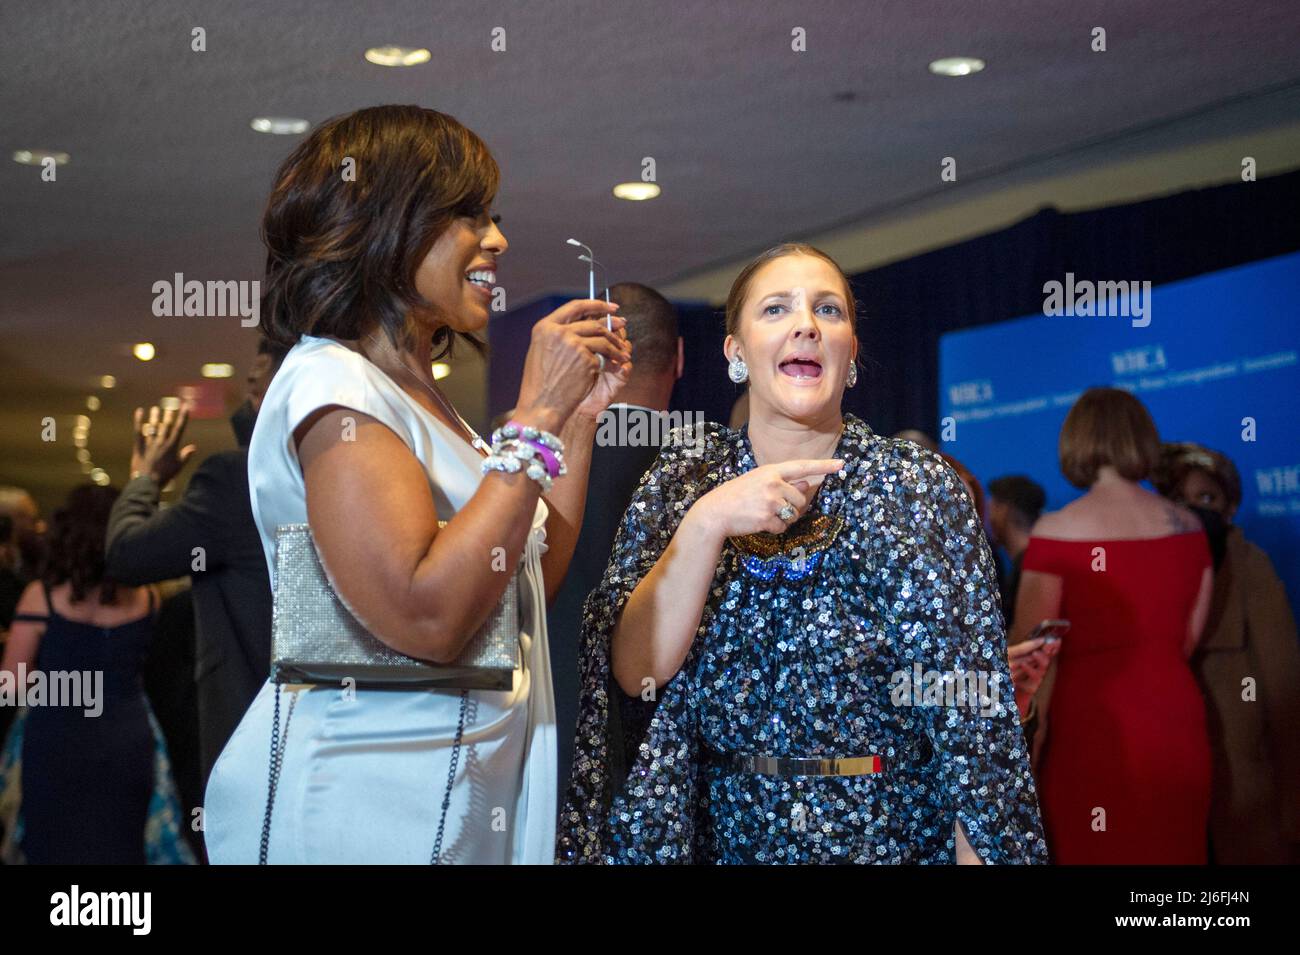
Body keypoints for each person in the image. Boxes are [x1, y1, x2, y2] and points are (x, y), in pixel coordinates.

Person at [202, 105, 631, 864]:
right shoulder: (332, 387)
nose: (496, 238)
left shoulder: (419, 399)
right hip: (360, 806)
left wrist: (575, 420)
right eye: (468, 214)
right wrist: (532, 415)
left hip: (453, 800)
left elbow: (520, 584)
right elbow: (426, 616)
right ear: (385, 223)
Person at [558, 243, 1047, 864]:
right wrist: (707, 523)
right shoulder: (683, 480)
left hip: (886, 835)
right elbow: (637, 675)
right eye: (776, 309)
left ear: (851, 352)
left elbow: (968, 718)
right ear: (735, 352)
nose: (805, 326)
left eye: (827, 310)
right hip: (722, 838)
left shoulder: (916, 486)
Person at [1012, 389, 1214, 864]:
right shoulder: (1189, 527)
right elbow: (1187, 642)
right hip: (1177, 727)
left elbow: (1028, 658)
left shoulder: (1054, 532)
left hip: (1092, 734)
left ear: (1076, 440)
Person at [105, 338, 288, 788]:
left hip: (248, 727)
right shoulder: (341, 470)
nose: (248, 384)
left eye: (258, 375)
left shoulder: (233, 479)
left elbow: (127, 555)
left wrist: (144, 480)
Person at [0, 485, 194, 864]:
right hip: (126, 738)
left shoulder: (42, 598)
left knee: (52, 847)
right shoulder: (148, 597)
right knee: (119, 845)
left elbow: (11, 684)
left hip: (56, 738)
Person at [547, 282, 682, 803]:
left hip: (543, 733)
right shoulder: (711, 468)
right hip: (666, 756)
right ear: (680, 358)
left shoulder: (527, 462)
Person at [1153, 442, 1300, 863]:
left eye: (1206, 499)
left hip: (1242, 790)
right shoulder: (1150, 566)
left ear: (1230, 507)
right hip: (1174, 788)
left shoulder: (1251, 564)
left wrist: (1294, 803)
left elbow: (1284, 683)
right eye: (1179, 499)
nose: (1193, 511)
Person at [987, 475, 1047, 630]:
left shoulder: (1028, 565)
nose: (987, 520)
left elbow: (1024, 631)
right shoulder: (1038, 557)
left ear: (1003, 510)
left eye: (991, 508)